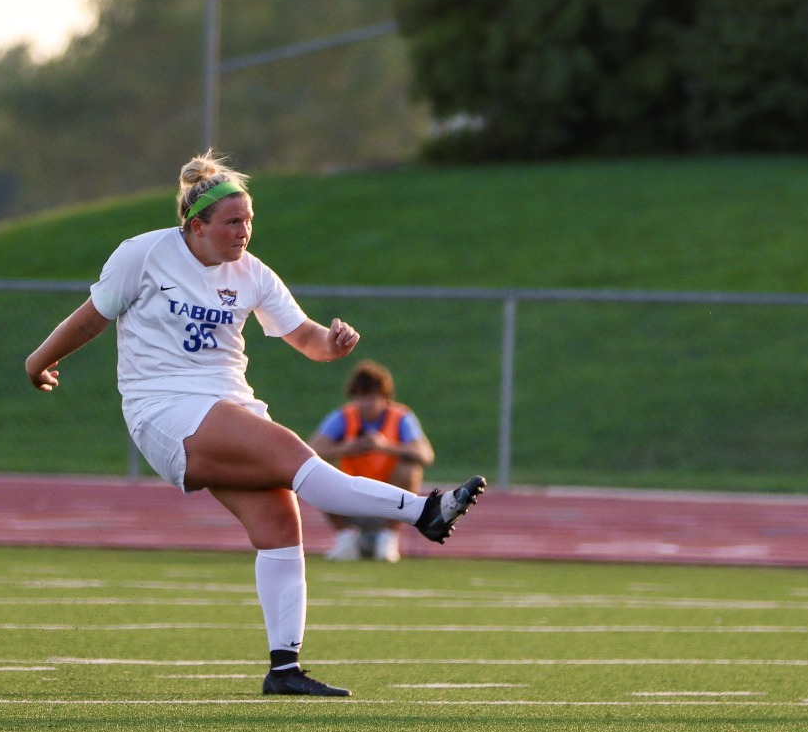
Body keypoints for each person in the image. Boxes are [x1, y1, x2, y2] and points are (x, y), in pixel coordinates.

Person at [25, 153, 486, 697]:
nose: (244, 231)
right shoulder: (144, 254)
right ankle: (424, 511)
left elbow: (306, 338)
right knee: (296, 458)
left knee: (279, 522)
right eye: (232, 222)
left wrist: (333, 344)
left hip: (229, 404)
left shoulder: (253, 272)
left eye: (248, 220)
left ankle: (285, 669)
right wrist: (39, 361)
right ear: (196, 225)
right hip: (163, 408)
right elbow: (91, 317)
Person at [311, 361, 433, 564]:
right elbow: (310, 449)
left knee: (409, 469)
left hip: (389, 502)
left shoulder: (401, 417)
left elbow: (425, 455)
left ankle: (388, 538)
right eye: (362, 396)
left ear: (385, 397)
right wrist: (347, 448)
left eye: (373, 397)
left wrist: (384, 446)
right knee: (315, 470)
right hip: (351, 499)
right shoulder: (343, 417)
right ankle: (346, 538)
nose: (368, 403)